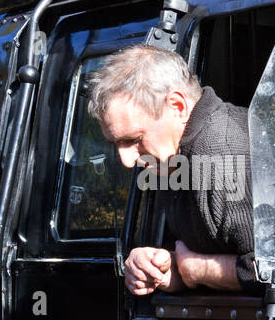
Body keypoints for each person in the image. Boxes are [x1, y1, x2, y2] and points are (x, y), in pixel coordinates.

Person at [86, 44, 255, 295]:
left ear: (177, 107)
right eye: (116, 143)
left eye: (133, 139)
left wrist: (194, 269)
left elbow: (272, 270)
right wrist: (157, 266)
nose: (126, 160)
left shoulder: (224, 150)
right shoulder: (169, 158)